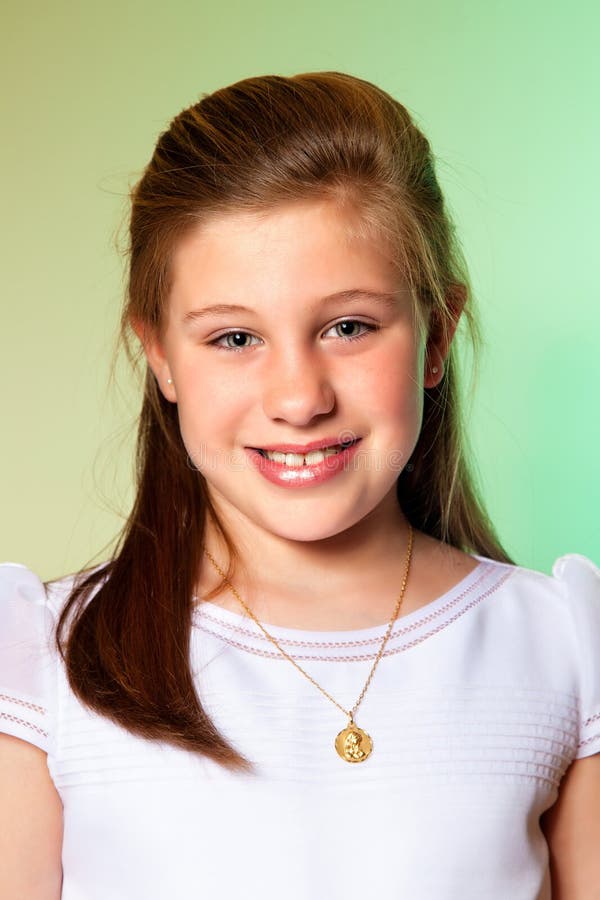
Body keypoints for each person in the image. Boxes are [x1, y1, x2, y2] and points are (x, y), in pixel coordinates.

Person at [0, 71, 598, 900]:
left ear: (436, 337)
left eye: (348, 327)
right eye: (236, 337)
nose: (299, 399)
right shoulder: (44, 662)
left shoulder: (565, 648)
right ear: (161, 356)